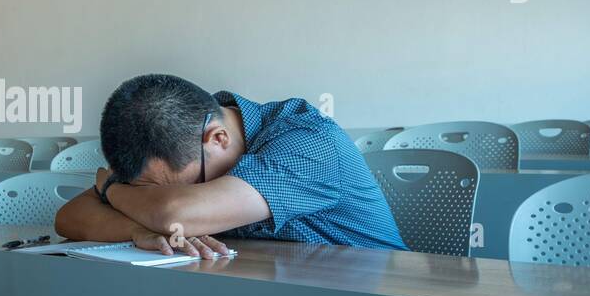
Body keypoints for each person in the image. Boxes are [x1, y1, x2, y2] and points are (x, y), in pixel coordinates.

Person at [54, 73, 407, 257]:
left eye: (183, 187)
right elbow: (69, 217)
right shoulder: (164, 147)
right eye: (145, 193)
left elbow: (175, 215)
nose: (149, 204)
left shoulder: (311, 142)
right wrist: (136, 230)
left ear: (218, 138)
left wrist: (111, 189)